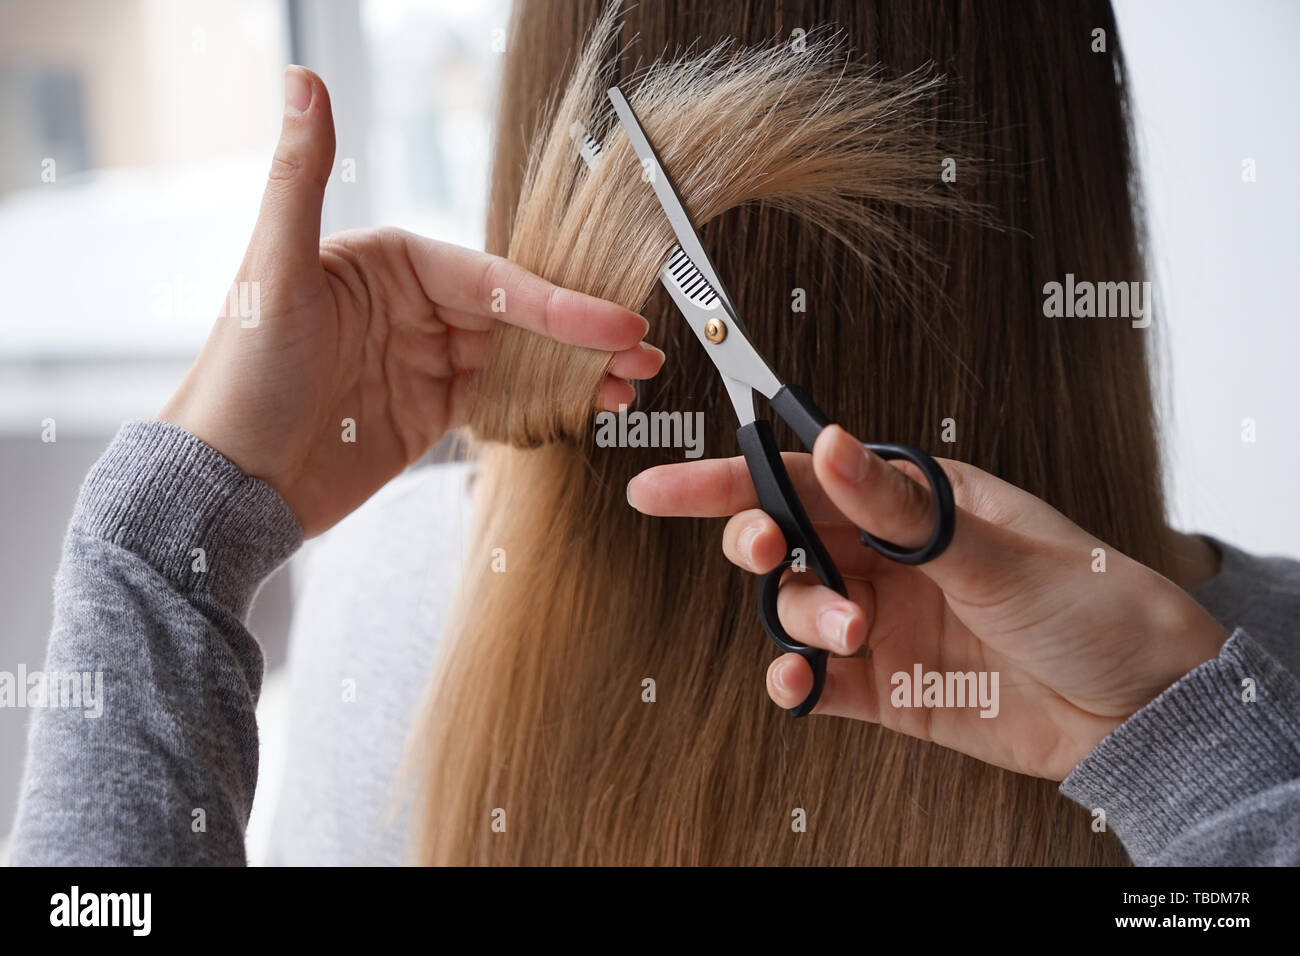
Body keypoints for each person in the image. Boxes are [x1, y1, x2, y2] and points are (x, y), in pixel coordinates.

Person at [10, 5, 1300, 867]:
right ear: (1078, 186)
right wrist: (1206, 760)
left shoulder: (388, 586)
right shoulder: (1263, 696)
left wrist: (163, 552)